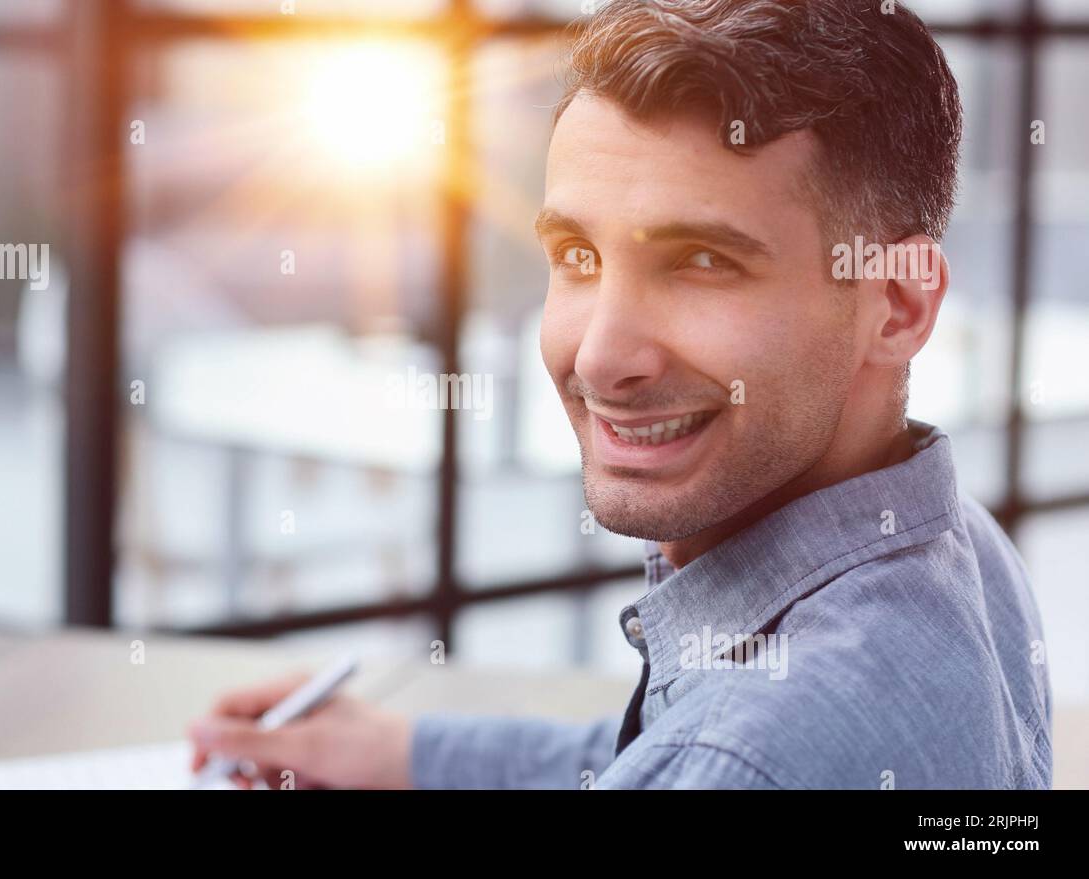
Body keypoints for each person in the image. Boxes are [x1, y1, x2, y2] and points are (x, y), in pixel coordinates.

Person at [188, 0, 1051, 789]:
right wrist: (406, 753)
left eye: (703, 262)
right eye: (578, 256)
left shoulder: (750, 760)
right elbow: (661, 751)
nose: (600, 359)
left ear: (897, 304)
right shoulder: (950, 547)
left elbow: (723, 756)